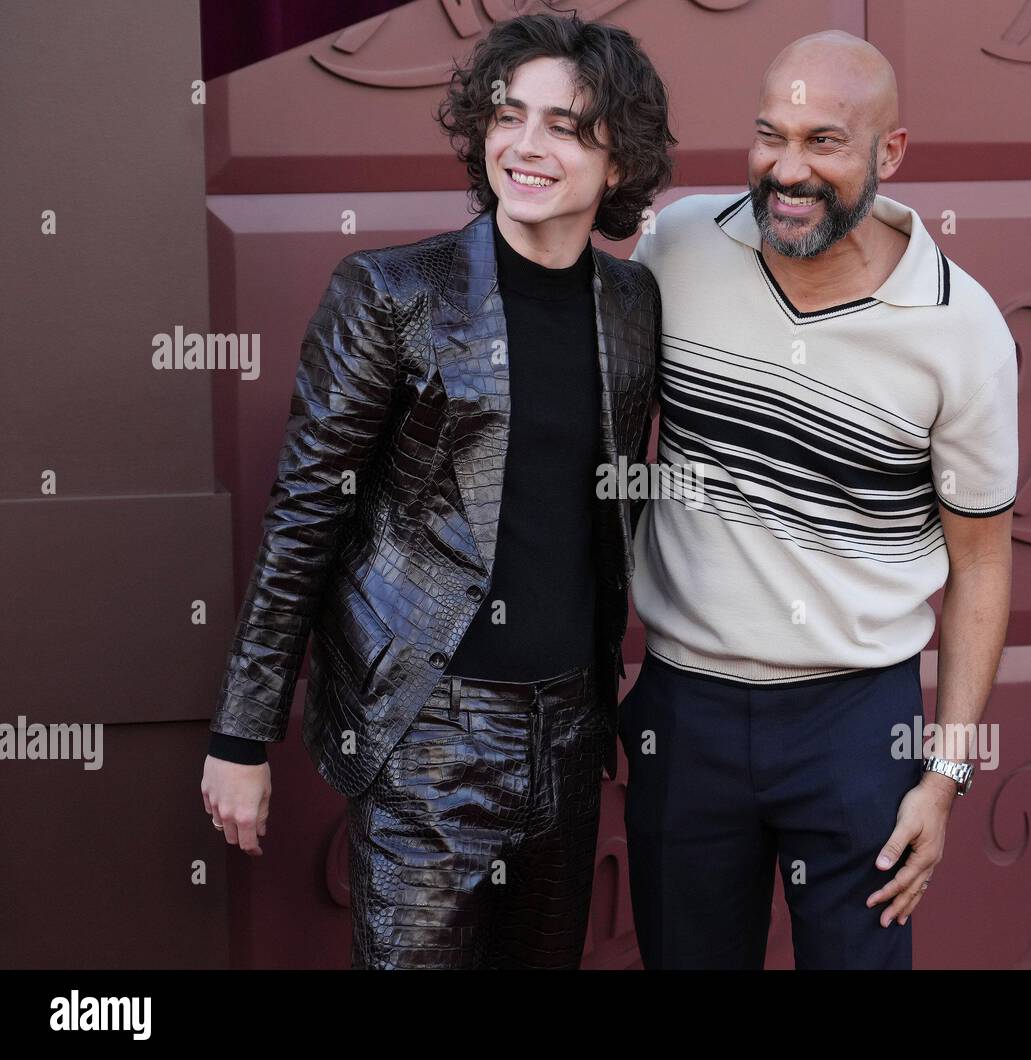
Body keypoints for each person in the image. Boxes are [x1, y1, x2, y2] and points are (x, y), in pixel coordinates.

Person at [201, 11, 672, 969]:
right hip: (429, 731)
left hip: (573, 728)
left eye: (567, 126)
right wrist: (242, 737)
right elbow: (303, 521)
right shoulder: (390, 292)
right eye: (509, 116)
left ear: (617, 164)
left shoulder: (631, 305)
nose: (526, 146)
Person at [622, 30, 1018, 969]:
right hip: (683, 710)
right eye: (770, 135)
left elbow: (983, 565)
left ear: (891, 154)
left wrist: (947, 774)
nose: (786, 170)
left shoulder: (961, 329)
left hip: (856, 727)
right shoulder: (677, 243)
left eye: (824, 141)